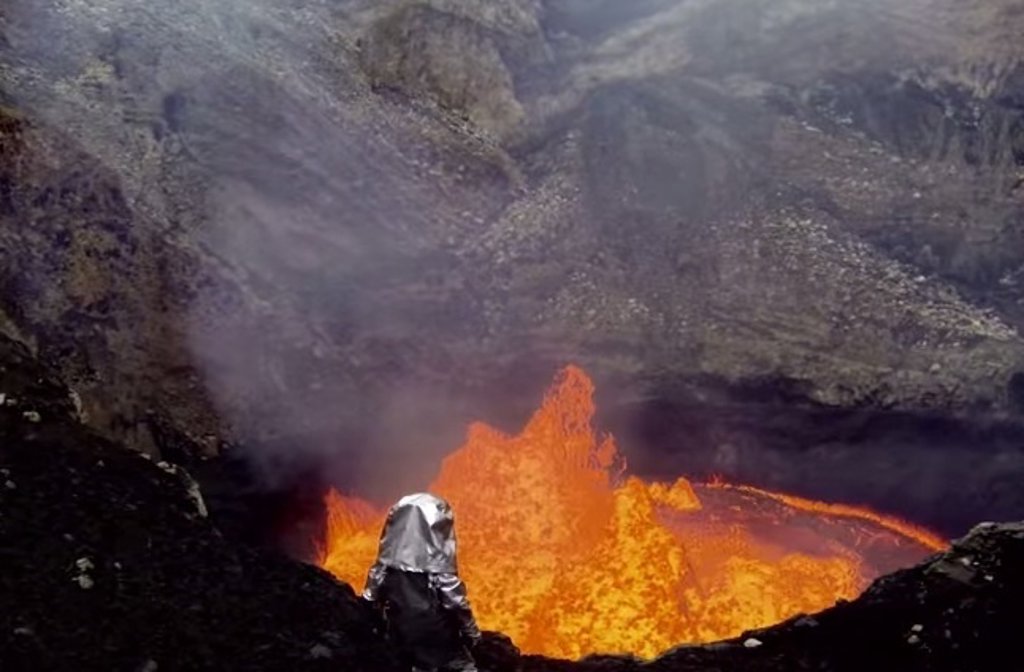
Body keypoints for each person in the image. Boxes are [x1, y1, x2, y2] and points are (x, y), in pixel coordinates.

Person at [362, 492, 482, 672]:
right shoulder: (440, 572)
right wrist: (472, 633)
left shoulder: (385, 566)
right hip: (436, 636)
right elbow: (456, 604)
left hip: (401, 632)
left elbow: (370, 596)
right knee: (463, 666)